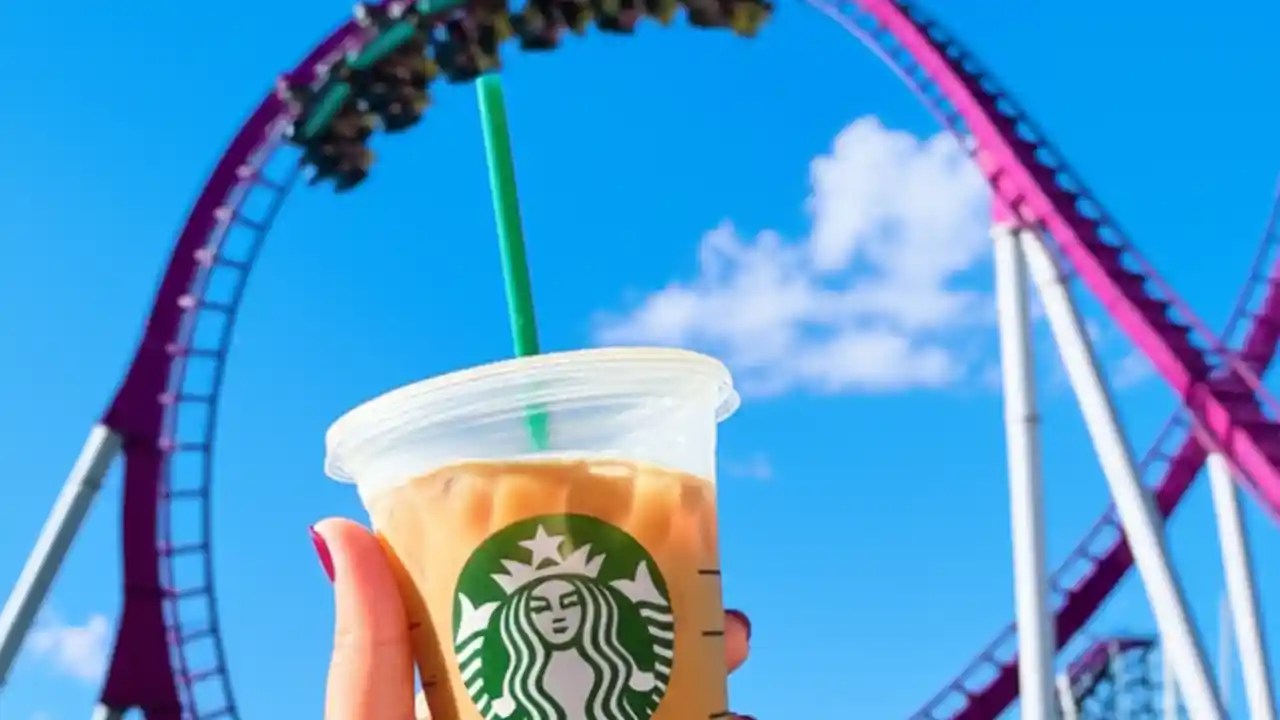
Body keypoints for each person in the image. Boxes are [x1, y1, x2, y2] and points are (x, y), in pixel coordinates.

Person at [311, 518, 757, 720]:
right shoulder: (510, 693)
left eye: (570, 603)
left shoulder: (633, 681)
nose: (557, 615)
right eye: (541, 607)